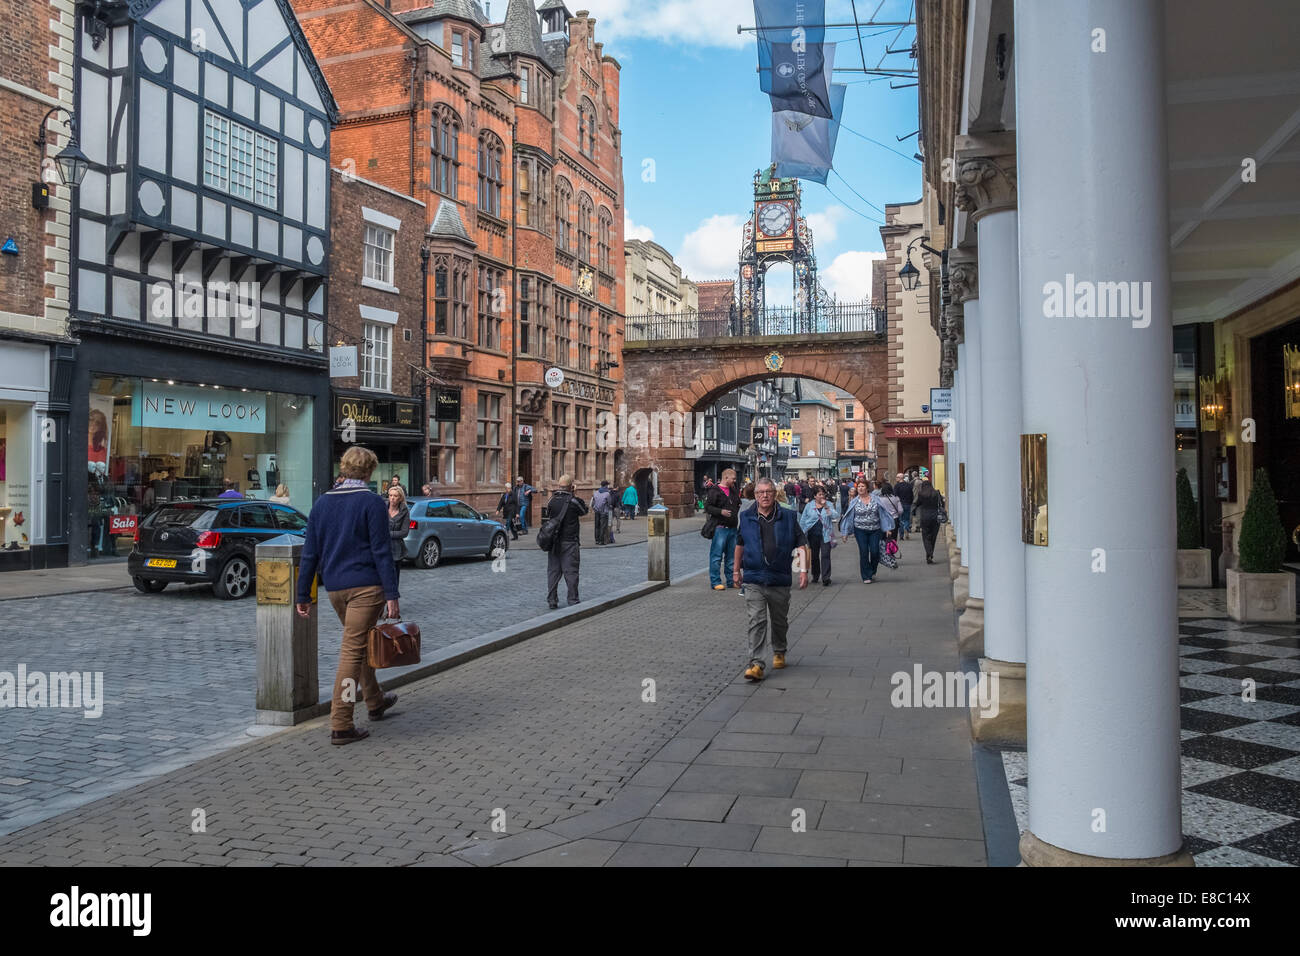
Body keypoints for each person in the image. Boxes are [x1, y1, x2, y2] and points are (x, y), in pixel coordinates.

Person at [295, 446, 400, 746]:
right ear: (368, 471)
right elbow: (382, 551)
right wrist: (392, 594)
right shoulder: (371, 502)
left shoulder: (322, 503)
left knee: (360, 642)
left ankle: (375, 701)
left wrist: (304, 593)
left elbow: (310, 553)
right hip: (367, 587)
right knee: (352, 651)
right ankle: (341, 722)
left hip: (336, 590)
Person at [734, 477, 809, 681]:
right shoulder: (747, 516)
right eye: (760, 493)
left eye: (768, 492)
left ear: (775, 494)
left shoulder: (788, 516)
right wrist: (735, 571)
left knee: (779, 620)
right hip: (754, 578)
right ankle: (756, 664)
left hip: (779, 577)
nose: (764, 495)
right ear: (755, 496)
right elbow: (739, 544)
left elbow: (801, 544)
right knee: (756, 620)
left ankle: (779, 650)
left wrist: (803, 570)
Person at [544, 473, 588, 609]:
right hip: (570, 541)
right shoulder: (574, 501)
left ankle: (552, 600)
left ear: (559, 486)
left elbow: (548, 514)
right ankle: (573, 599)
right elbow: (584, 511)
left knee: (553, 572)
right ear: (571, 487)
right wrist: (574, 494)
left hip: (554, 542)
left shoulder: (551, 500)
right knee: (571, 571)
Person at [840, 478, 892, 584]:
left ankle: (872, 570)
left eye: (862, 486)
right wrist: (845, 533)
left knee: (875, 552)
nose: (860, 488)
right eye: (858, 486)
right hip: (860, 530)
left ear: (867, 488)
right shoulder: (854, 501)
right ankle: (865, 576)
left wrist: (887, 528)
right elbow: (848, 517)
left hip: (875, 529)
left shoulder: (876, 499)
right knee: (863, 551)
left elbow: (883, 514)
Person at [704, 468, 740, 591]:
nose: (734, 481)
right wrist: (721, 512)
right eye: (733, 479)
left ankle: (731, 581)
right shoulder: (714, 490)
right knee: (716, 556)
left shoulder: (733, 490)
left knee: (731, 557)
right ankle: (715, 581)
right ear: (726, 478)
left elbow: (738, 503)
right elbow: (707, 507)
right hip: (720, 528)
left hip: (733, 528)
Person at [799, 486, 839, 586]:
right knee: (814, 556)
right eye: (819, 494)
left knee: (825, 555)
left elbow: (835, 515)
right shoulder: (809, 505)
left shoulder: (829, 504)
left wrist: (826, 506)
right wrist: (801, 533)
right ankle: (815, 575)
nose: (822, 496)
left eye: (823, 494)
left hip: (825, 534)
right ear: (814, 496)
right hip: (812, 534)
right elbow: (803, 520)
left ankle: (826, 577)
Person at [914, 475, 945, 563]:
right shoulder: (937, 493)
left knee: (926, 535)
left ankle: (929, 552)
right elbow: (942, 504)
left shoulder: (921, 494)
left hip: (925, 517)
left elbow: (917, 503)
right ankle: (930, 553)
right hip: (935, 517)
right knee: (933, 536)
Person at [387, 484, 409, 585]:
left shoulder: (404, 511)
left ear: (400, 498)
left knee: (394, 580)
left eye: (395, 496)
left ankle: (393, 598)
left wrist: (387, 534)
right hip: (382, 547)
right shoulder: (382, 508)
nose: (392, 498)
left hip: (396, 549)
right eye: (390, 495)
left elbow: (404, 532)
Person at [591, 480, 614, 545]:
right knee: (603, 526)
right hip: (604, 512)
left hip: (596, 511)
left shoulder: (596, 492)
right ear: (606, 485)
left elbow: (593, 503)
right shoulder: (607, 494)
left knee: (597, 526)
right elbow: (609, 503)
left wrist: (595, 508)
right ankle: (601, 540)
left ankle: (597, 540)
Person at [894, 472, 914, 540]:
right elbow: (912, 495)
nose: (896, 478)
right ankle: (906, 528)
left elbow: (895, 496)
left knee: (900, 520)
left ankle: (901, 535)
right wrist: (910, 502)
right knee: (906, 519)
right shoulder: (909, 485)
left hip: (899, 505)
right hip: (907, 504)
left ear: (900, 478)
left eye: (897, 477)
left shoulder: (897, 486)